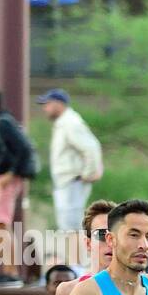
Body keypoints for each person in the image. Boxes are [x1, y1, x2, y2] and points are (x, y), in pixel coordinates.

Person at [0, 89, 36, 285]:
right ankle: (6, 269)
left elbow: (23, 147)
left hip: (4, 179)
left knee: (1, 224)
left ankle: (11, 271)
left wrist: (10, 173)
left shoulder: (3, 122)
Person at [37, 89, 103, 239]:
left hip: (73, 181)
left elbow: (91, 147)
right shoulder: (64, 123)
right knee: (68, 227)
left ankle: (77, 262)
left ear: (58, 104)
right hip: (67, 182)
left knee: (72, 227)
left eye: (47, 104)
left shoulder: (70, 123)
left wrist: (89, 173)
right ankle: (75, 261)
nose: (44, 108)